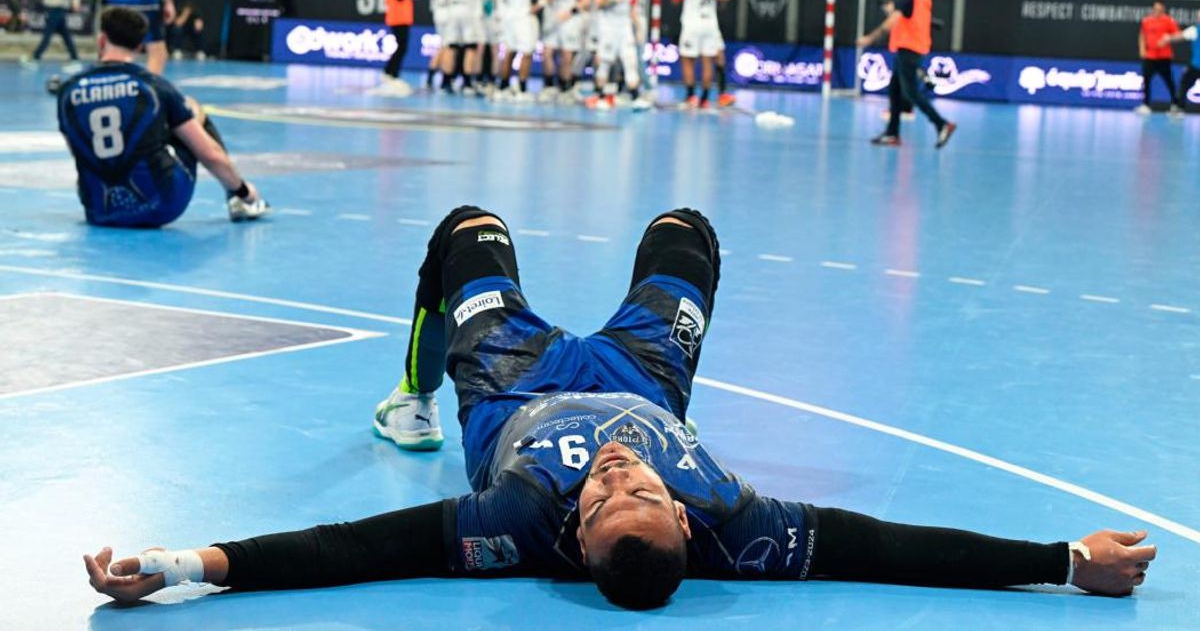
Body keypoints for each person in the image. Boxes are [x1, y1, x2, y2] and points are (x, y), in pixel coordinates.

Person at [85, 206, 1158, 610]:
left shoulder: (505, 527)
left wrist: (184, 566)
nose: (615, 474)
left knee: (469, 230)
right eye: (637, 488)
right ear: (685, 520)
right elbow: (890, 548)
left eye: (601, 498)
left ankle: (409, 395)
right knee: (686, 229)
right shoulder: (742, 525)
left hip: (513, 376)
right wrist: (1065, 558)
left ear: (573, 532)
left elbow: (346, 547)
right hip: (645, 377)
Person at [56, 7, 268, 228]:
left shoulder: (68, 91)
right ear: (139, 47)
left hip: (100, 210)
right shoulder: (154, 87)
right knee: (192, 109)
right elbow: (210, 154)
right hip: (160, 205)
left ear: (101, 40)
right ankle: (236, 199)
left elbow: (78, 152)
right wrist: (245, 191)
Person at [859, 0, 956, 148]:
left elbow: (894, 20)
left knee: (911, 92)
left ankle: (941, 124)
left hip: (908, 47)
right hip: (916, 44)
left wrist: (870, 37)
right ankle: (892, 133)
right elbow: (914, 16)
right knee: (894, 90)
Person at [673, 0, 733, 109]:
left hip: (692, 24)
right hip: (710, 25)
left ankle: (691, 96)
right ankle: (705, 99)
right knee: (709, 61)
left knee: (687, 61)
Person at [590, 0, 649, 110]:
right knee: (604, 62)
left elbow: (633, 9)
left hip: (625, 28)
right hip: (608, 28)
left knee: (630, 62)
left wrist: (638, 29)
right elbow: (599, 3)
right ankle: (601, 96)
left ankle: (635, 96)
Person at [491, 0, 543, 100]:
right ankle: (521, 88)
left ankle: (503, 86)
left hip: (505, 13)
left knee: (509, 50)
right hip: (520, 13)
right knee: (526, 51)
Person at [540, 0, 590, 101]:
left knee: (566, 54)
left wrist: (570, 12)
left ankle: (565, 86)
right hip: (554, 17)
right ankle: (549, 86)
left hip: (570, 18)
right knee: (546, 52)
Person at [442, 0, 488, 95]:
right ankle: (467, 83)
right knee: (470, 46)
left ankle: (445, 82)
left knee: (450, 46)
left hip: (452, 7)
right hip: (468, 9)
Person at [383, 0, 425, 83]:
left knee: (402, 47)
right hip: (398, 19)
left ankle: (391, 72)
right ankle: (390, 72)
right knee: (402, 47)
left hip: (401, 19)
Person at [1137, 0, 1182, 114]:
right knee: (1146, 80)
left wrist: (1167, 39)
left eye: (1160, 10)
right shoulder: (1146, 21)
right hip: (1150, 57)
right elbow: (1142, 35)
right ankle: (1146, 105)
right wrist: (1142, 49)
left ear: (1163, 10)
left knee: (1169, 82)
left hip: (1164, 57)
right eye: (1156, 9)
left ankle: (1175, 105)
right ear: (1153, 9)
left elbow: (1178, 35)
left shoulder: (1169, 21)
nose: (1158, 11)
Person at [1160, 8, 1200, 110]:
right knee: (1184, 84)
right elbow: (1180, 36)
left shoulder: (1195, 30)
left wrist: (1167, 38)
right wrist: (1168, 38)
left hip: (1196, 65)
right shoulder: (1195, 29)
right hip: (1196, 65)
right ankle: (1179, 107)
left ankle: (1178, 108)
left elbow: (1179, 36)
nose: (1198, 17)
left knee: (1184, 84)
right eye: (1198, 15)